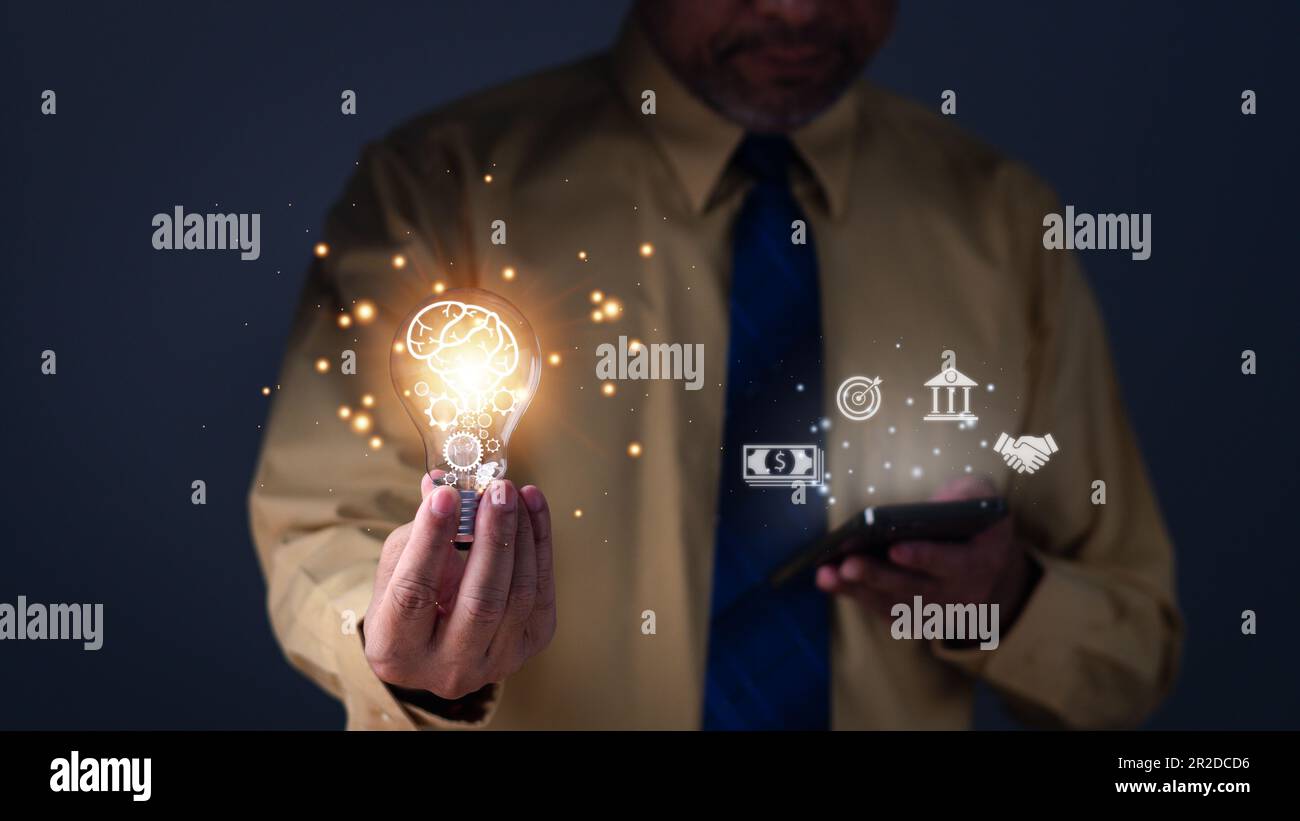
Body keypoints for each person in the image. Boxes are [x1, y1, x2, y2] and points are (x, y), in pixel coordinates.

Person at [249, 0, 1180, 730]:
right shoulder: (438, 185)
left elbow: (1133, 651)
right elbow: (321, 535)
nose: (794, 8)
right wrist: (405, 658)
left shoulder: (1003, 223)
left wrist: (1006, 602)